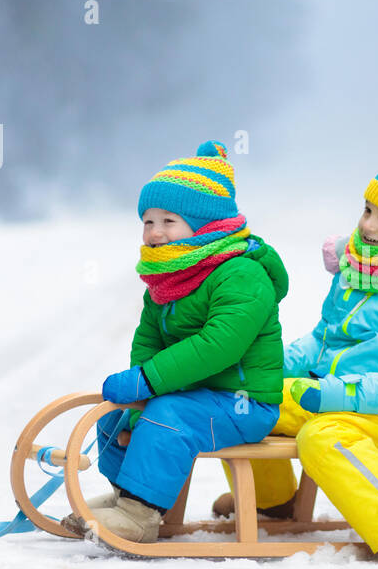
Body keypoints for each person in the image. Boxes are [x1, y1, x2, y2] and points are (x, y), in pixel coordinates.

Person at [214, 139, 378, 569]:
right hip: (323, 394)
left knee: (323, 436)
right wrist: (261, 367)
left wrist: (341, 393)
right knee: (238, 396)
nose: (369, 226)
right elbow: (321, 341)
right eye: (368, 211)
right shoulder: (357, 271)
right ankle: (271, 498)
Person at [63, 140, 287, 544]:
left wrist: (150, 381)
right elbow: (147, 339)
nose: (155, 232)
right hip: (197, 395)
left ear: (204, 226)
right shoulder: (168, 279)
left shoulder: (241, 274)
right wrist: (137, 397)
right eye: (148, 222)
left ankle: (141, 512)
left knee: (169, 412)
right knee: (116, 411)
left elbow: (220, 344)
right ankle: (124, 497)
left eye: (169, 221)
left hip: (244, 402)